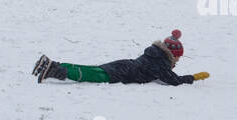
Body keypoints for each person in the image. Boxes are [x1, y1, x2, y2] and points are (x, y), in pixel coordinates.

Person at [33, 30, 208, 85]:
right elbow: (173, 81)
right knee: (91, 76)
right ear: (172, 55)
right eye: (177, 58)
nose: (177, 61)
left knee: (90, 68)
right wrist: (193, 77)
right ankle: (54, 71)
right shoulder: (161, 63)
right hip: (124, 74)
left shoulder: (153, 54)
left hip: (123, 64)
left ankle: (52, 64)